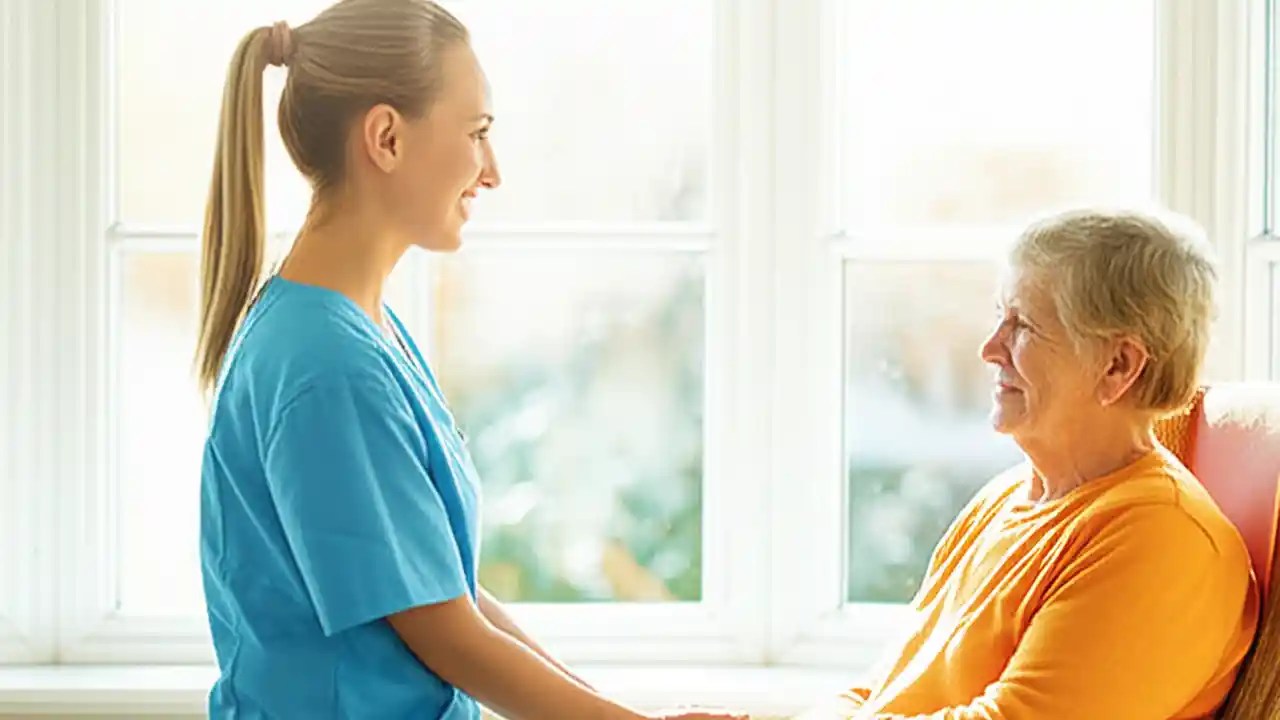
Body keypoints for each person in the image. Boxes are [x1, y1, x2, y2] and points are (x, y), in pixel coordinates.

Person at [194, 2, 745, 719]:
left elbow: (444, 592)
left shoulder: (356, 331)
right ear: (386, 138)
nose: (492, 172)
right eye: (477, 133)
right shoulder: (326, 366)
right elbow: (449, 638)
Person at [799, 209, 1259, 719]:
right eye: (1000, 316)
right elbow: (879, 692)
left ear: (1118, 366)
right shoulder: (1003, 499)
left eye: (1023, 326)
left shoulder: (1165, 538)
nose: (989, 348)